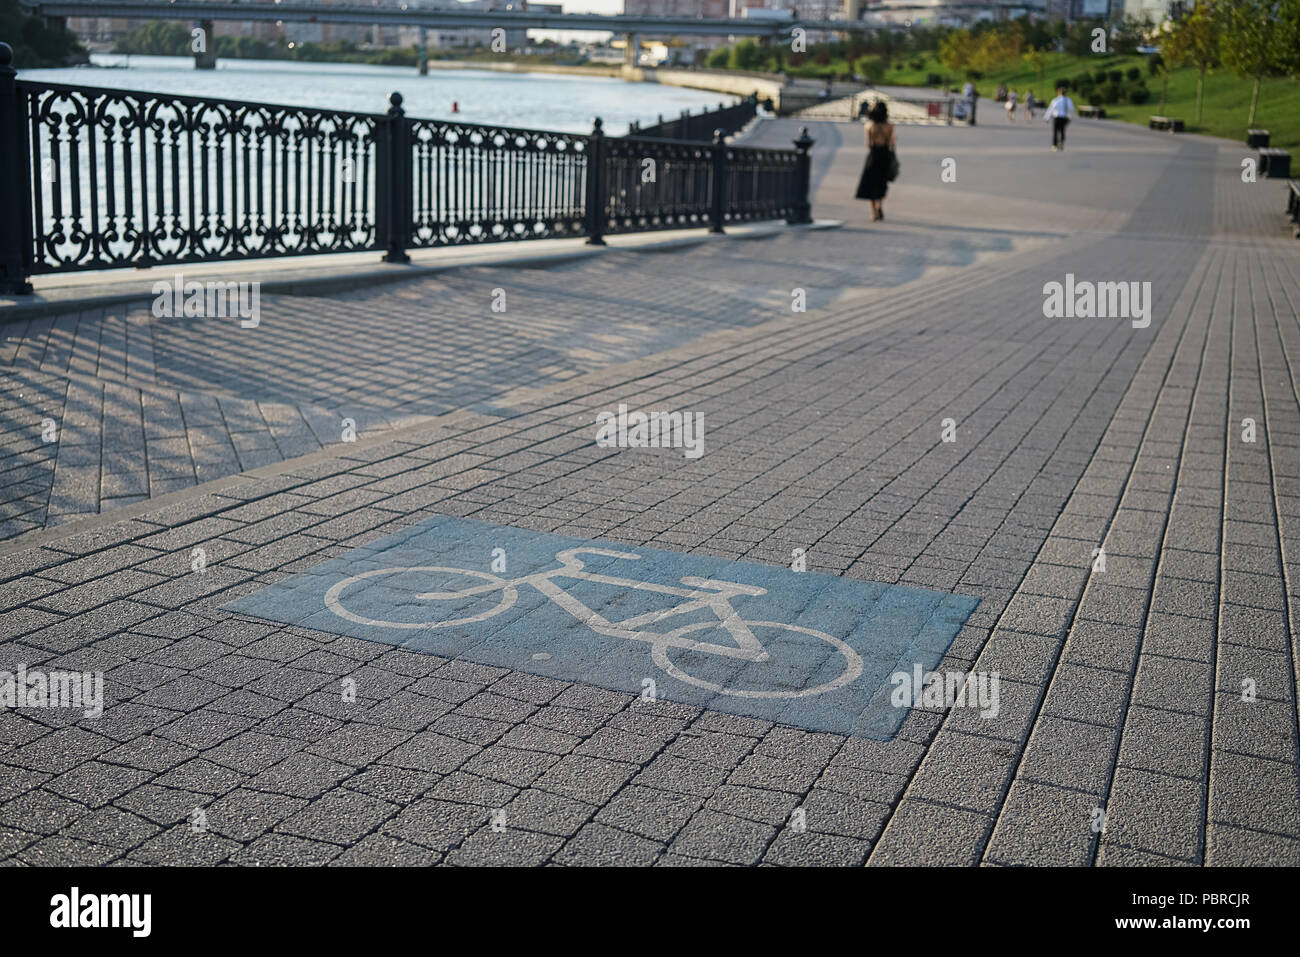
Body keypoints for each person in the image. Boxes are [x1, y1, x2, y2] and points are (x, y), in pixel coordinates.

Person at [855, 101, 897, 222]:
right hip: (885, 156)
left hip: (873, 156)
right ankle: (880, 206)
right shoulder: (890, 126)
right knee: (881, 183)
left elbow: (868, 144)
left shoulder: (869, 126)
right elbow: (891, 143)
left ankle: (874, 212)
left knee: (871, 183)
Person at [1045, 85, 1075, 151]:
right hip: (1064, 118)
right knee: (1062, 131)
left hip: (1056, 118)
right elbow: (1071, 109)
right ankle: (1061, 143)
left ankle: (1054, 145)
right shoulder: (1068, 100)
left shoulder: (1055, 100)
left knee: (1055, 132)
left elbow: (1051, 109)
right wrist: (1070, 117)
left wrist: (1047, 117)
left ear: (1058, 92)